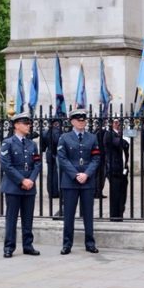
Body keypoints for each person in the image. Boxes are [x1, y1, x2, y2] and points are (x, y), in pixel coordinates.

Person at [57, 109, 102, 255]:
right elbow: (62, 159)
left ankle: (90, 243)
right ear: (72, 122)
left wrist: (87, 174)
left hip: (87, 181)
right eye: (78, 120)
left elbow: (96, 158)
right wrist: (76, 174)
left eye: (83, 120)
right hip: (70, 182)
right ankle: (67, 244)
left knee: (88, 214)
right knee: (69, 214)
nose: (81, 122)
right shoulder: (64, 138)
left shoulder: (92, 138)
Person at [0, 112, 41, 258]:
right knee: (11, 218)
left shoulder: (32, 144)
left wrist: (31, 180)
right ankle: (9, 246)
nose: (28, 126)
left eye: (29, 123)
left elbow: (37, 163)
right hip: (13, 186)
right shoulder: (7, 143)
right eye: (25, 123)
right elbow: (6, 165)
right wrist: (22, 180)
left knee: (28, 217)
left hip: (29, 186)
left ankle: (28, 245)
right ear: (16, 125)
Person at [104, 117, 129, 221]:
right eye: (115, 122)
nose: (118, 124)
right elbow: (119, 143)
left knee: (123, 193)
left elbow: (126, 146)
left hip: (122, 168)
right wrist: (124, 137)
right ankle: (115, 216)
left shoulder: (118, 134)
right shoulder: (109, 134)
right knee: (115, 194)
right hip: (114, 169)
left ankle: (120, 214)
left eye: (119, 122)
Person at [41, 117, 63, 199]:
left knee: (50, 174)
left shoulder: (45, 132)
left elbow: (43, 147)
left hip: (49, 153)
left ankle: (51, 191)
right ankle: (57, 191)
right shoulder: (60, 132)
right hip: (58, 154)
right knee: (58, 173)